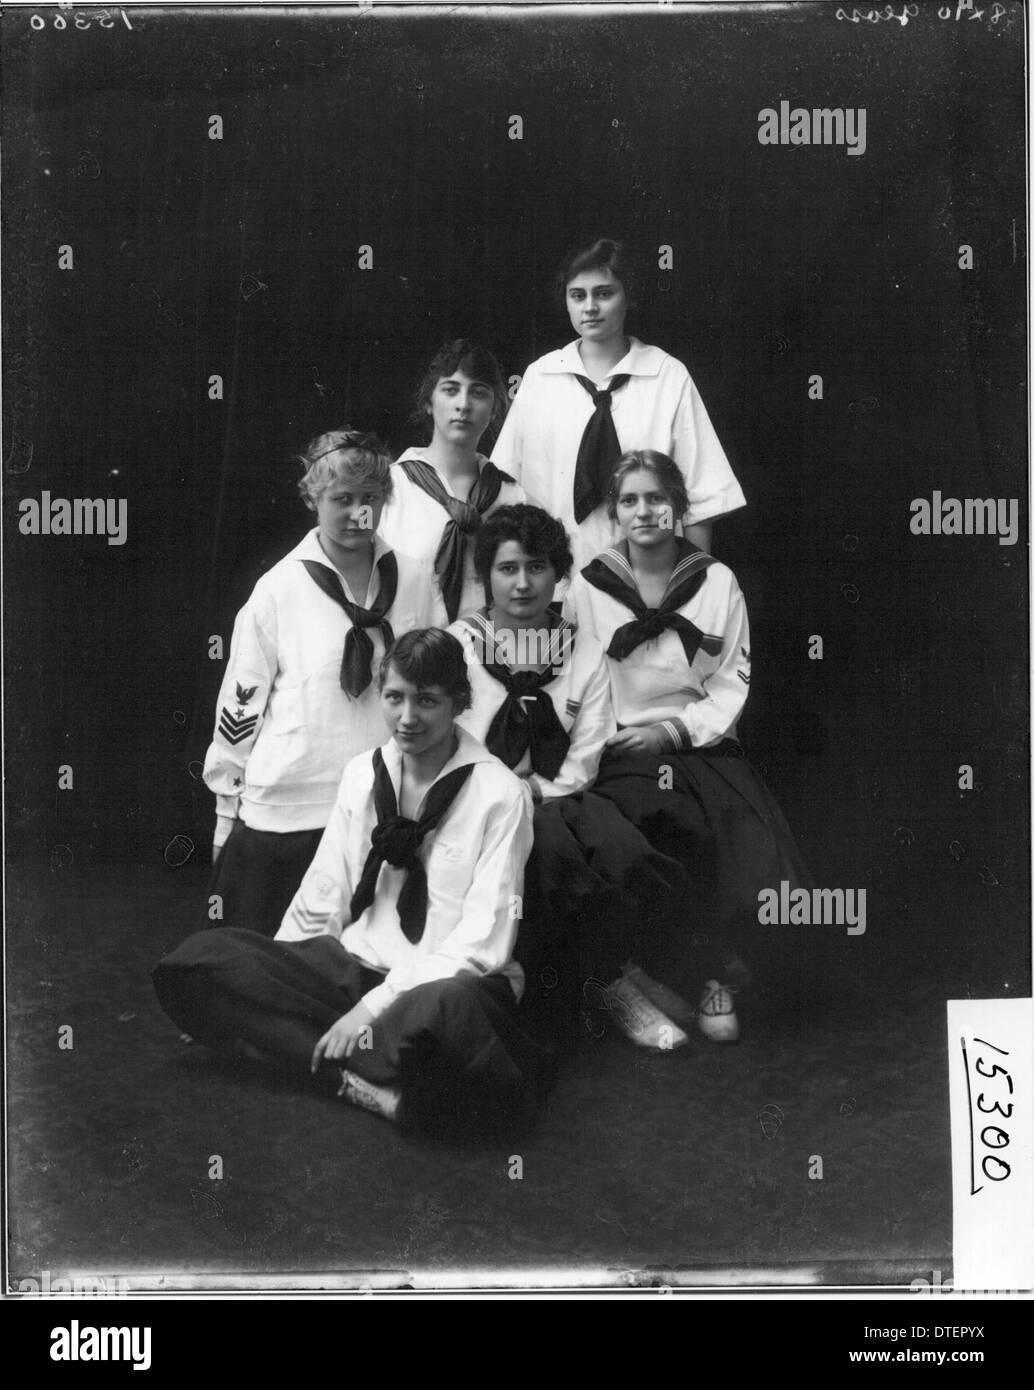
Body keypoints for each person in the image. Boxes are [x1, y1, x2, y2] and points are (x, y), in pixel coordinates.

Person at [155, 630, 554, 1135]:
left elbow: (483, 945)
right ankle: (369, 1083)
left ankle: (297, 1053)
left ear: (460, 703)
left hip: (435, 989)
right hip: (353, 969)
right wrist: (272, 982)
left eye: (427, 701)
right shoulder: (362, 775)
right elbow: (325, 892)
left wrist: (368, 1012)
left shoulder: (500, 793)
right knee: (200, 962)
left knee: (454, 1019)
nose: (408, 718)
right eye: (395, 698)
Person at [566, 450, 812, 1039]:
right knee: (659, 823)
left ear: (678, 509)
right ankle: (662, 969)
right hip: (621, 747)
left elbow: (733, 677)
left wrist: (672, 732)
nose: (644, 511)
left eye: (657, 499)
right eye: (630, 501)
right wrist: (621, 738)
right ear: (614, 514)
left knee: (739, 834)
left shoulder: (716, 581)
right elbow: (576, 680)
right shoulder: (588, 585)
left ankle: (717, 976)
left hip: (700, 741)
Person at [449, 503, 705, 1051]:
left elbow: (585, 757)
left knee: (619, 851)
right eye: (507, 568)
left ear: (559, 574)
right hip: (475, 805)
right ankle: (599, 986)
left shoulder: (583, 650)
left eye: (537, 568)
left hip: (557, 793)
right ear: (486, 575)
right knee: (547, 854)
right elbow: (446, 748)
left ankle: (621, 972)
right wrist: (502, 798)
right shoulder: (458, 647)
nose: (522, 584)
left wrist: (534, 791)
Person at [202, 428, 446, 937]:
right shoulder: (278, 591)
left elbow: (438, 683)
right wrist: (228, 813)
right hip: (290, 810)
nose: (359, 513)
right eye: (342, 499)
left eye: (371, 500)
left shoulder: (417, 579)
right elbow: (239, 710)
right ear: (313, 498)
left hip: (382, 807)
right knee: (266, 963)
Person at [492, 237, 746, 570]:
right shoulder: (541, 377)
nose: (590, 307)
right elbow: (508, 497)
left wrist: (692, 591)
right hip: (555, 584)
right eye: (578, 295)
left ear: (629, 297)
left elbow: (702, 499)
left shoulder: (667, 376)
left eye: (604, 293)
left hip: (648, 582)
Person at [378, 339, 530, 622]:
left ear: (495, 409)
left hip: (490, 658)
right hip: (410, 657)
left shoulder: (511, 495)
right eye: (450, 390)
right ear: (428, 403)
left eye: (479, 393)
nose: (463, 404)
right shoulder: (390, 488)